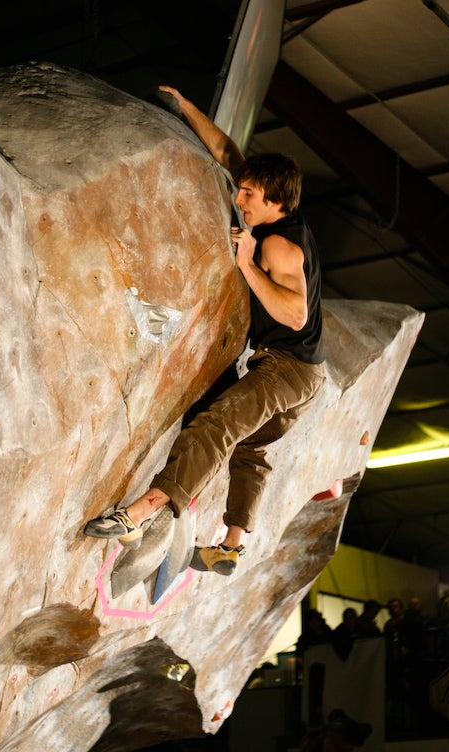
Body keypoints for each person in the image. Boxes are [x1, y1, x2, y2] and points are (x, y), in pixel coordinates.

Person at [84, 85, 325, 575]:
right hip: (305, 377)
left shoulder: (280, 246)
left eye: (248, 196)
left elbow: (296, 315)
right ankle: (231, 545)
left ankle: (140, 514)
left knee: (216, 426)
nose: (239, 200)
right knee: (250, 445)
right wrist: (186, 106)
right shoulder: (273, 208)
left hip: (287, 369)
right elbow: (227, 151)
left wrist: (246, 264)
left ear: (275, 201)